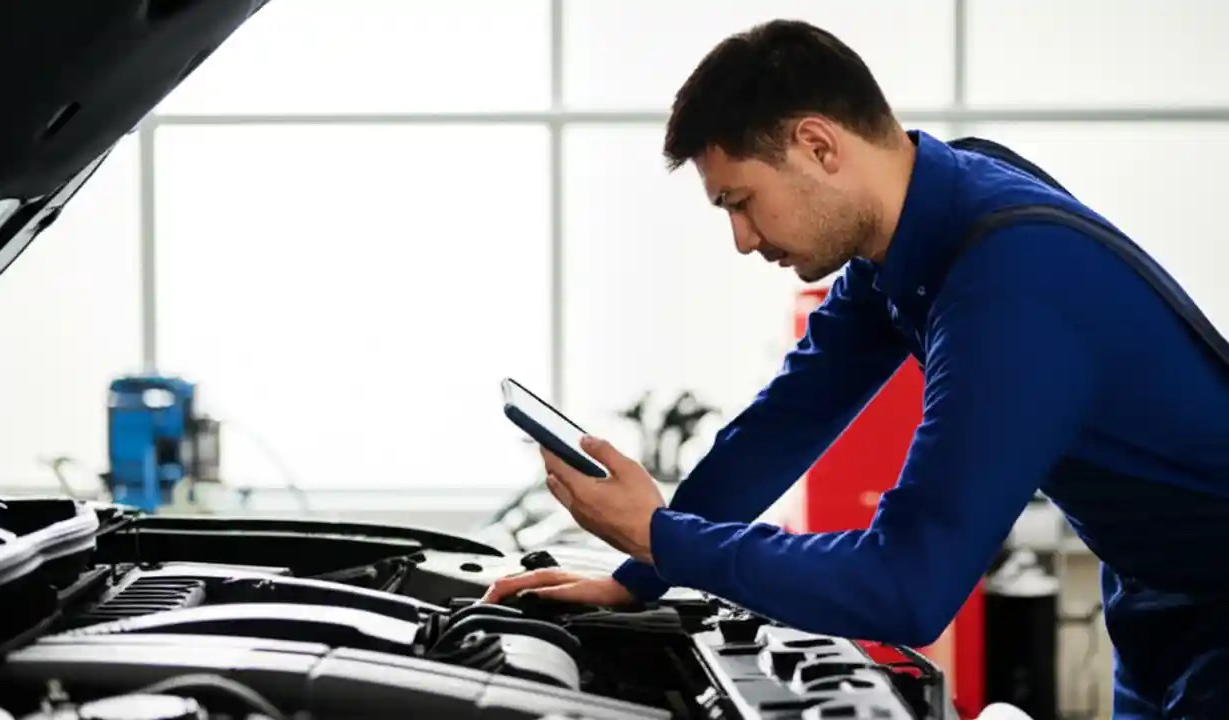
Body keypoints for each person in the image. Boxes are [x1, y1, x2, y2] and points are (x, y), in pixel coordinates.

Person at [482, 19, 1229, 718]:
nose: (742, 239)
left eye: (741, 202)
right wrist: (639, 570)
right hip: (1157, 607)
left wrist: (665, 539)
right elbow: (786, 420)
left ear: (818, 145)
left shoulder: (1009, 278)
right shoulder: (933, 215)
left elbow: (908, 586)